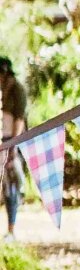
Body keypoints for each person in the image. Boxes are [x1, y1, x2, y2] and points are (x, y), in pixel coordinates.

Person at [1, 57, 26, 235]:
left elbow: (19, 118)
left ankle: (12, 229)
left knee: (11, 186)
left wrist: (13, 145)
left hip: (12, 140)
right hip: (2, 139)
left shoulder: (17, 89)